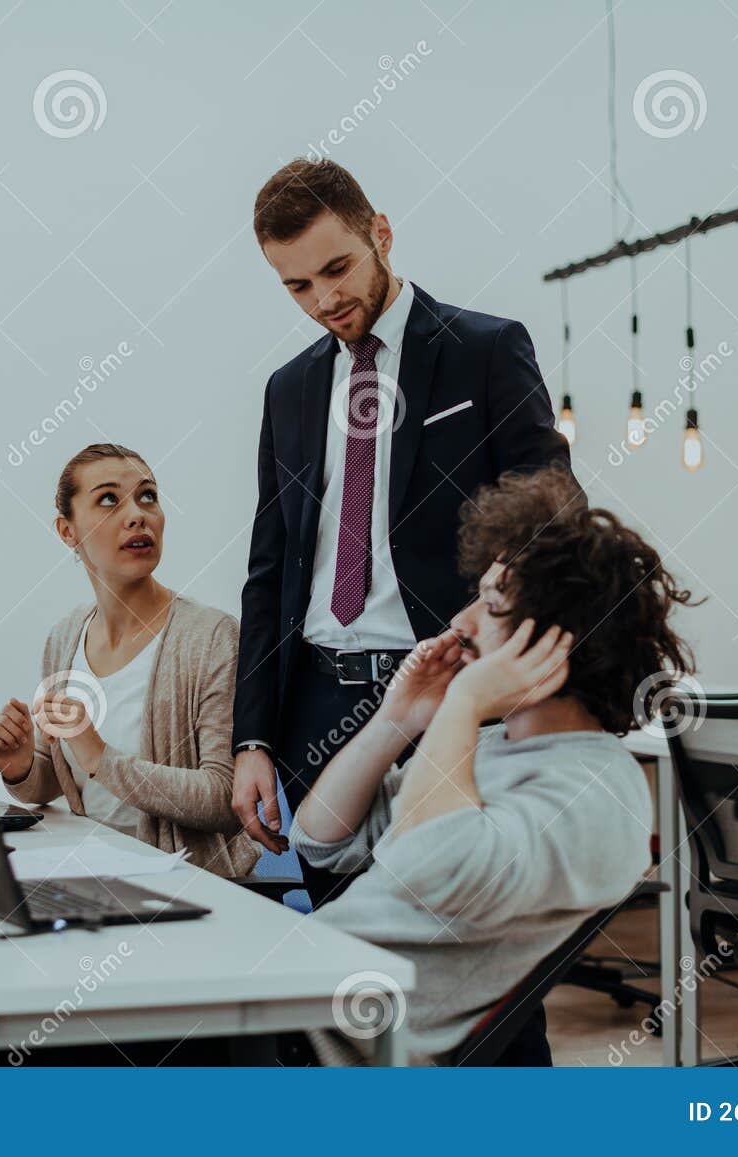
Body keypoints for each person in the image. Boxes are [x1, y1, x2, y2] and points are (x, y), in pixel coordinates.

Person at [233, 158, 578, 908]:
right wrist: (251, 739)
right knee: (339, 951)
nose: (325, 298)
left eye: (337, 268)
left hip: (448, 689)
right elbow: (269, 573)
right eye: (297, 285)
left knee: (470, 934)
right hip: (316, 710)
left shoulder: (484, 350)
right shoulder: (288, 391)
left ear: (380, 234)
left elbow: (554, 510)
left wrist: (507, 614)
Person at [290, 468, 695, 1064]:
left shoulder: (599, 791)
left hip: (316, 1044)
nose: (461, 622)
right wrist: (397, 720)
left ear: (557, 640)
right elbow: (320, 839)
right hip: (289, 998)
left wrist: (464, 701)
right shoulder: (489, 747)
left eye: (493, 605)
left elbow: (427, 867)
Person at [0, 443, 259, 879]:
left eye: (147, 496)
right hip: (88, 872)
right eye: (109, 499)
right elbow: (56, 782)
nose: (137, 514)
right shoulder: (65, 638)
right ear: (67, 532)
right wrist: (20, 768)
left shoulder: (211, 637)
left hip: (185, 887)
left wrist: (100, 756)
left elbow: (226, 799)